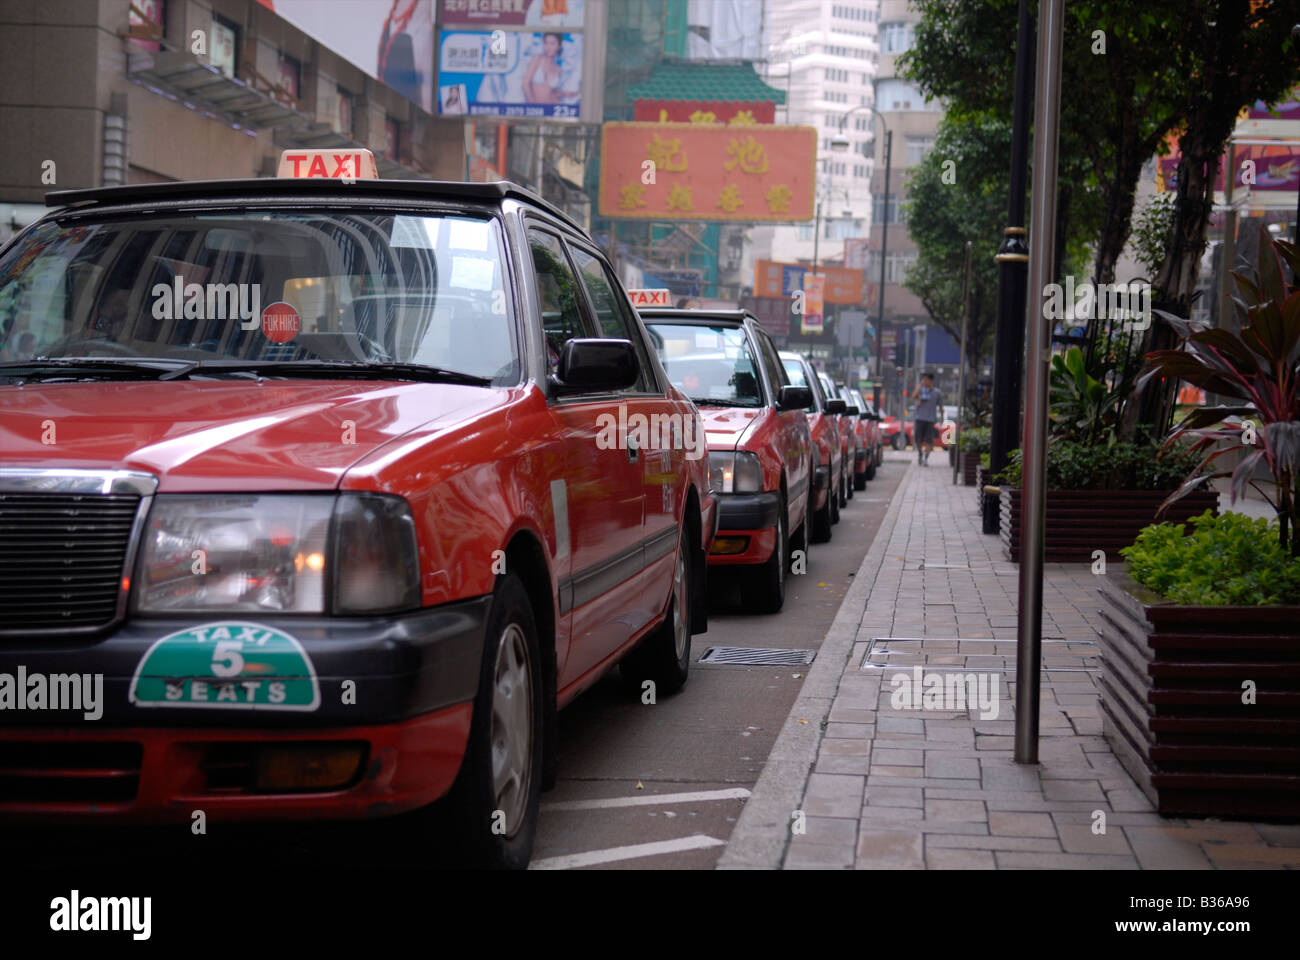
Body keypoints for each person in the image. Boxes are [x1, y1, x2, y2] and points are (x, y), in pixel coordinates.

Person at [911, 371, 942, 466]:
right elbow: (913, 396)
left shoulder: (937, 393)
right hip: (919, 418)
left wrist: (943, 419)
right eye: (923, 379)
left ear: (931, 380)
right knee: (918, 440)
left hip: (930, 420)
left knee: (929, 441)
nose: (924, 381)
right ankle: (920, 453)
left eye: (926, 379)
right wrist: (920, 385)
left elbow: (941, 406)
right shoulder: (921, 390)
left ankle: (925, 458)